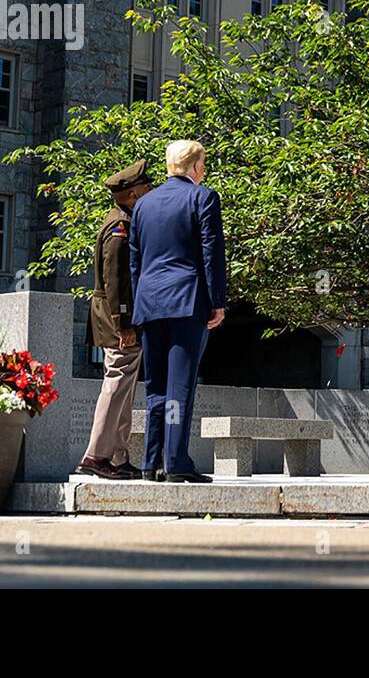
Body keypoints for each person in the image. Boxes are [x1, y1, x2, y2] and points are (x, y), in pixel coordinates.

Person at [130, 140, 227, 483]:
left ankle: (150, 462)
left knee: (155, 386)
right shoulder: (203, 197)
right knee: (179, 386)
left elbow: (135, 262)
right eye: (204, 164)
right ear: (196, 167)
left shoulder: (143, 205)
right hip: (187, 302)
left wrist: (137, 304)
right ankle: (175, 462)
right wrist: (218, 301)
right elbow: (211, 252)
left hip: (149, 304)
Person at [75, 159, 153, 480]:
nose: (151, 190)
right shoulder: (120, 227)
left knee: (125, 386)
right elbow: (116, 280)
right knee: (117, 381)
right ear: (133, 195)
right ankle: (96, 455)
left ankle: (118, 457)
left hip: (121, 318)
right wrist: (124, 325)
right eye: (146, 186)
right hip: (118, 318)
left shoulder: (125, 220)